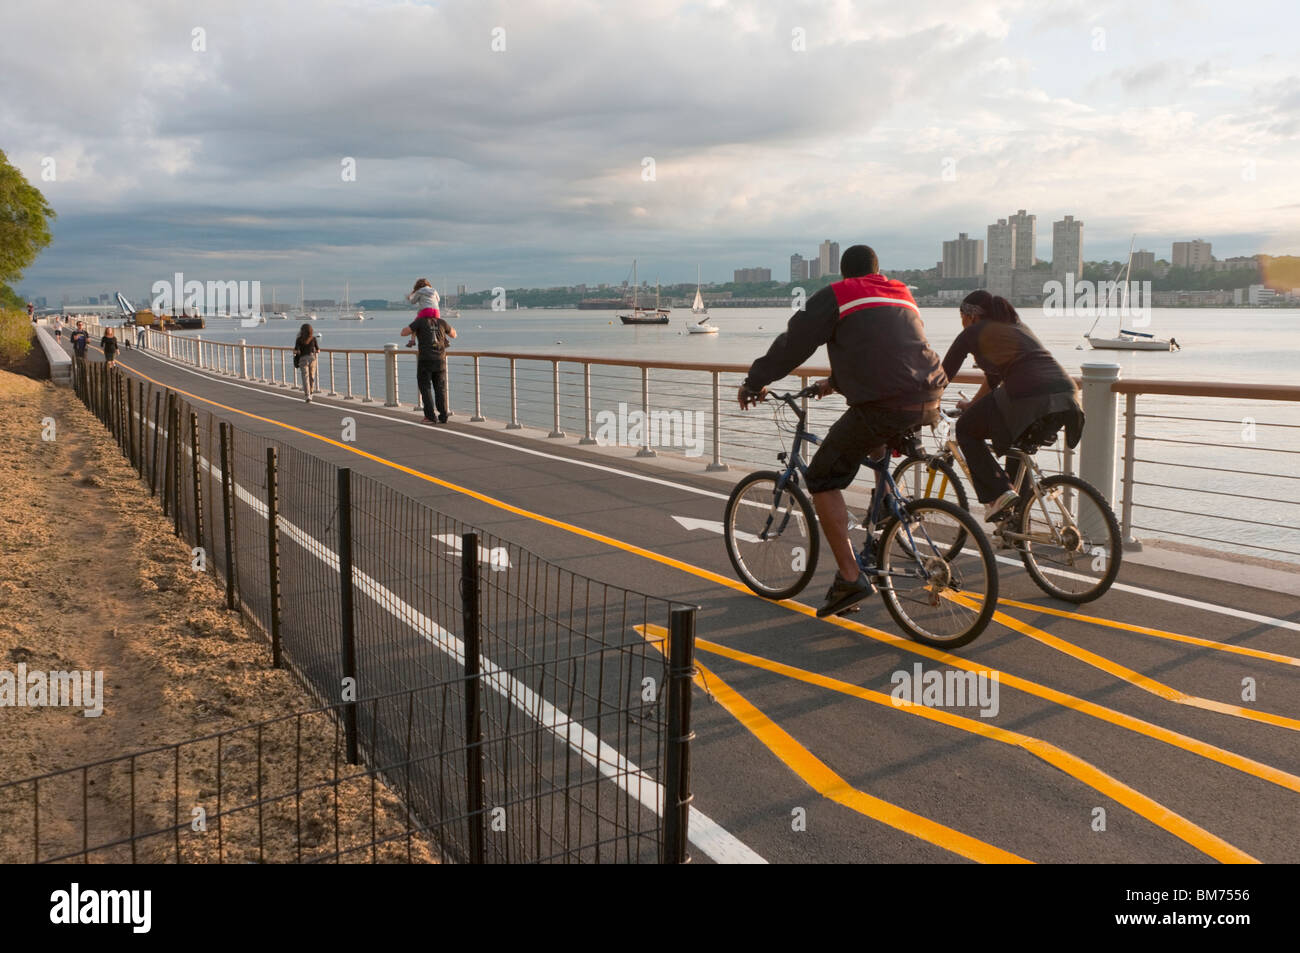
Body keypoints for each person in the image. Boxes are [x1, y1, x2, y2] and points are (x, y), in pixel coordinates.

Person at [738, 244, 947, 617]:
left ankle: (850, 577)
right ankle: (883, 507)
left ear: (844, 274)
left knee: (821, 477)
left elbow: (793, 345)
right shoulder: (901, 292)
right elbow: (885, 352)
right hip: (929, 393)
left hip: (885, 402)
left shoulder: (838, 295)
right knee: (874, 438)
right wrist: (833, 382)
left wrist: (755, 381)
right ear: (877, 271)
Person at [941, 290, 1084, 522]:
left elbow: (943, 375)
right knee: (1017, 446)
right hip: (1066, 394)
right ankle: (1018, 523)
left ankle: (998, 494)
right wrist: (972, 405)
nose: (962, 322)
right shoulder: (1016, 328)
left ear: (970, 316)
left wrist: (922, 402)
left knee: (966, 429)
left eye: (961, 316)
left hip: (1029, 394)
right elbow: (993, 380)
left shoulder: (973, 332)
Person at [401, 302, 457, 424]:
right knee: (440, 389)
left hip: (425, 360)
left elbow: (403, 332)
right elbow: (454, 334)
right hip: (440, 361)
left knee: (425, 388)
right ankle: (443, 416)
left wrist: (415, 328)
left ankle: (431, 417)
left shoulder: (420, 322)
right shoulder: (442, 322)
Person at [405, 279, 439, 349]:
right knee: (437, 325)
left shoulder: (419, 291)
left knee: (415, 324)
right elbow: (438, 299)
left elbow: (413, 301)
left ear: (418, 285)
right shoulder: (434, 290)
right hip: (436, 311)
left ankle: (412, 340)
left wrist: (409, 297)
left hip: (426, 310)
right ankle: (444, 340)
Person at [293, 323, 320, 402]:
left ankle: (307, 395)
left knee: (305, 377)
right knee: (312, 377)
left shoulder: (299, 339)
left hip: (303, 359)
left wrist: (297, 352)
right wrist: (314, 350)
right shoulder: (313, 339)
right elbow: (318, 350)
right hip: (312, 359)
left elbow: (296, 350)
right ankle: (311, 393)